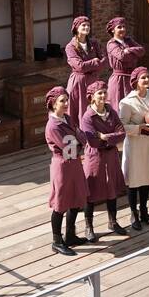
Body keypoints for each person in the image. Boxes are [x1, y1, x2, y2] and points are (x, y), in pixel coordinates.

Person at [44, 87, 90, 257]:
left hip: (75, 164)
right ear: (53, 103)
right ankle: (57, 241)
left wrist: (78, 139)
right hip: (62, 166)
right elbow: (68, 147)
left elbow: (82, 138)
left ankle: (70, 235)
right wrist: (78, 139)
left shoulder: (68, 119)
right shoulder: (53, 126)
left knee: (76, 199)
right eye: (62, 101)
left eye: (66, 100)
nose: (65, 104)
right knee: (61, 203)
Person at [118, 66, 149, 229]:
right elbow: (122, 126)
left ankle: (144, 211)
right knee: (134, 179)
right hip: (135, 144)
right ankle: (134, 213)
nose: (146, 80)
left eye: (148, 77)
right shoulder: (126, 102)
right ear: (136, 81)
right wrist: (140, 128)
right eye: (143, 78)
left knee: (146, 177)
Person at [79, 81, 127, 238]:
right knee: (91, 191)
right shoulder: (87, 117)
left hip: (111, 156)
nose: (103, 95)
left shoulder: (111, 112)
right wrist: (109, 138)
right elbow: (92, 140)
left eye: (105, 92)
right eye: (99, 93)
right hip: (95, 157)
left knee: (111, 188)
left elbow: (122, 133)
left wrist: (105, 136)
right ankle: (89, 226)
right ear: (92, 97)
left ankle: (112, 221)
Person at [65, 16, 106, 109]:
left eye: (88, 25)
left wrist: (93, 64)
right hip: (79, 83)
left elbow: (104, 61)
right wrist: (94, 62)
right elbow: (80, 67)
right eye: (83, 25)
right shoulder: (70, 47)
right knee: (80, 109)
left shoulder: (94, 43)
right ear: (76, 28)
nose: (86, 27)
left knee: (94, 109)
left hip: (93, 81)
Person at [106, 17, 146, 107]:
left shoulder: (129, 40)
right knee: (119, 105)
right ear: (113, 30)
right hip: (118, 79)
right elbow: (122, 56)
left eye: (124, 27)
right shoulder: (111, 44)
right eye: (119, 27)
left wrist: (129, 50)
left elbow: (142, 50)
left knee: (133, 105)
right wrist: (133, 53)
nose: (123, 29)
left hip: (131, 78)